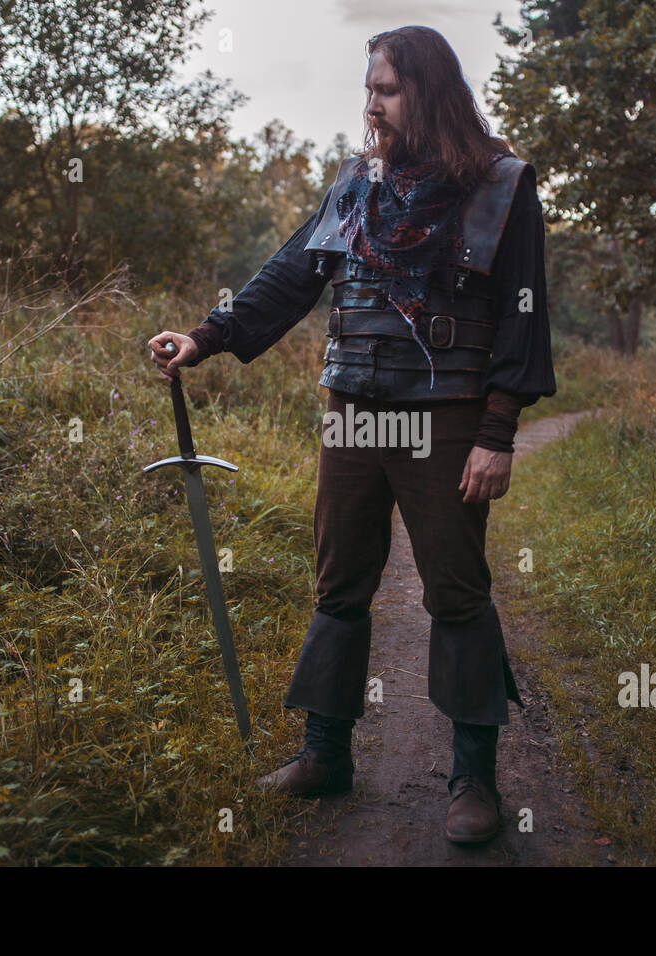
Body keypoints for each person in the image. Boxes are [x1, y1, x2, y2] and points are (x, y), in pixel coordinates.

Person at [148, 25, 555, 845]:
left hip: (444, 416)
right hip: (354, 408)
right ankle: (325, 751)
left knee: (456, 591)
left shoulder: (503, 186)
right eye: (369, 87)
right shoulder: (357, 182)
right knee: (339, 582)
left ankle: (473, 778)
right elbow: (295, 270)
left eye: (386, 89)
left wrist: (498, 431)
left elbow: (523, 314)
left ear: (429, 92)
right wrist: (208, 334)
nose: (369, 102)